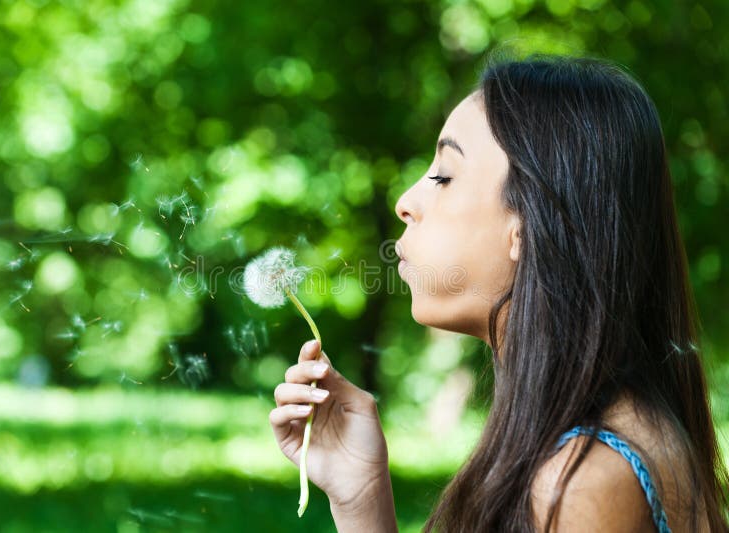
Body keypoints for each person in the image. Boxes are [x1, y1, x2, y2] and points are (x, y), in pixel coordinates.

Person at [269, 54, 729, 532]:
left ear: (530, 227)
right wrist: (361, 498)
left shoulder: (582, 478)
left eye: (443, 176)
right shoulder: (601, 440)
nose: (405, 202)